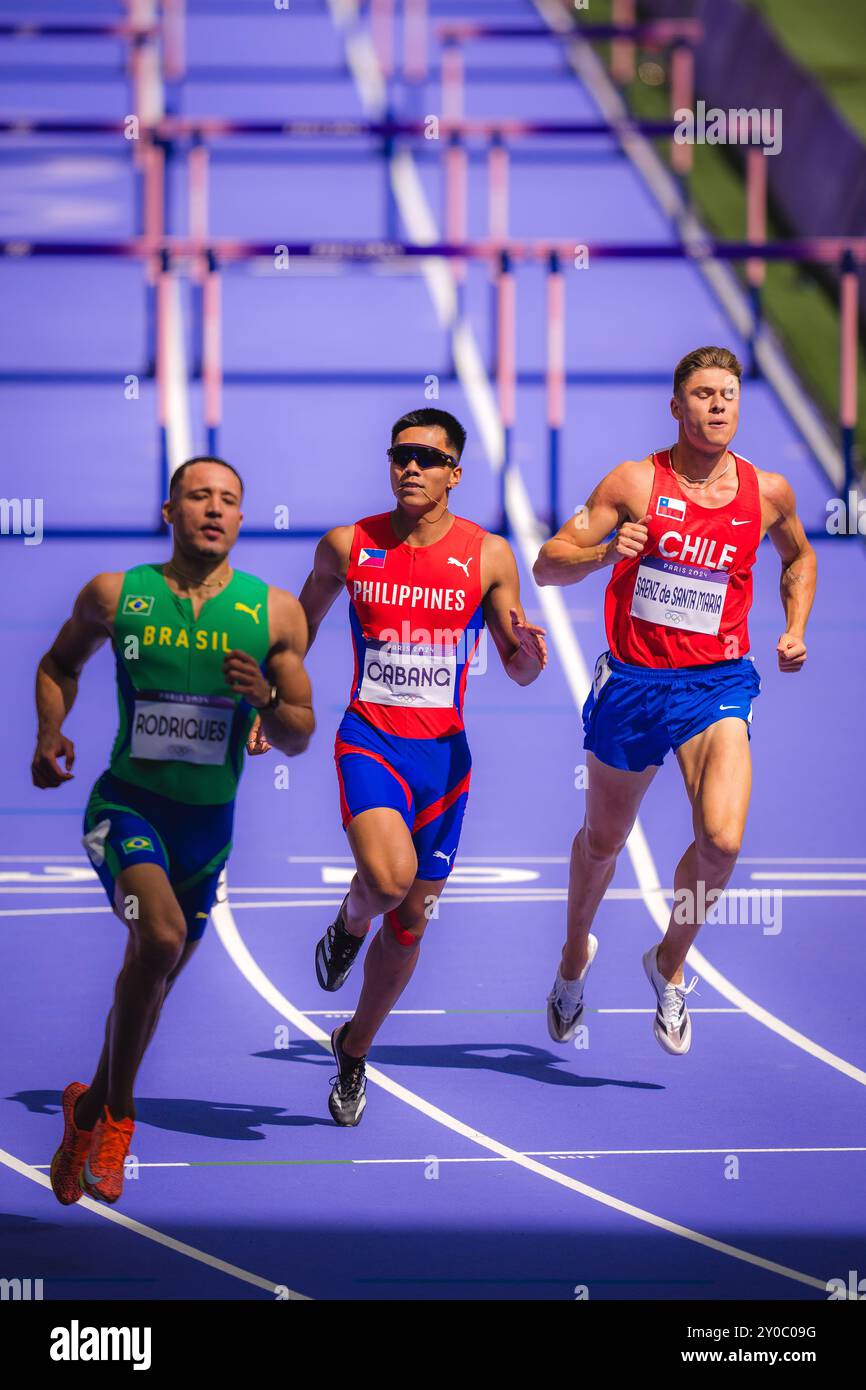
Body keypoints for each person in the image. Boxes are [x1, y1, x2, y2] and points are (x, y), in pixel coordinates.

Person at [33, 457, 314, 1205]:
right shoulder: (116, 596)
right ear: (170, 511)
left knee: (150, 988)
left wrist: (265, 701)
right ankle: (121, 1117)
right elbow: (59, 664)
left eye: (228, 501)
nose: (214, 510)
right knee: (154, 940)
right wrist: (49, 731)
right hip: (124, 808)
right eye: (199, 497)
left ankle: (87, 1108)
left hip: (206, 834)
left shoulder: (276, 614)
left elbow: (300, 733)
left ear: (243, 521)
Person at [533, 347, 816, 1055]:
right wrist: (606, 554)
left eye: (728, 393)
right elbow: (546, 563)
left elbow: (800, 557)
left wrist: (794, 629)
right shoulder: (634, 483)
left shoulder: (767, 491)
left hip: (717, 684)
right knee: (604, 841)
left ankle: (669, 961)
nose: (718, 405)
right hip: (633, 685)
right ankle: (574, 958)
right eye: (702, 393)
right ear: (676, 407)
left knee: (721, 841)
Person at [296, 408, 546, 1124]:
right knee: (386, 880)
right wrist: (276, 697)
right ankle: (348, 924)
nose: (411, 466)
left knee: (410, 923)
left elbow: (517, 667)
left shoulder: (487, 555)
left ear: (454, 474)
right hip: (371, 739)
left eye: (427, 458)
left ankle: (353, 1049)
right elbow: (300, 625)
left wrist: (528, 656)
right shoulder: (350, 544)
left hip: (445, 763)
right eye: (400, 454)